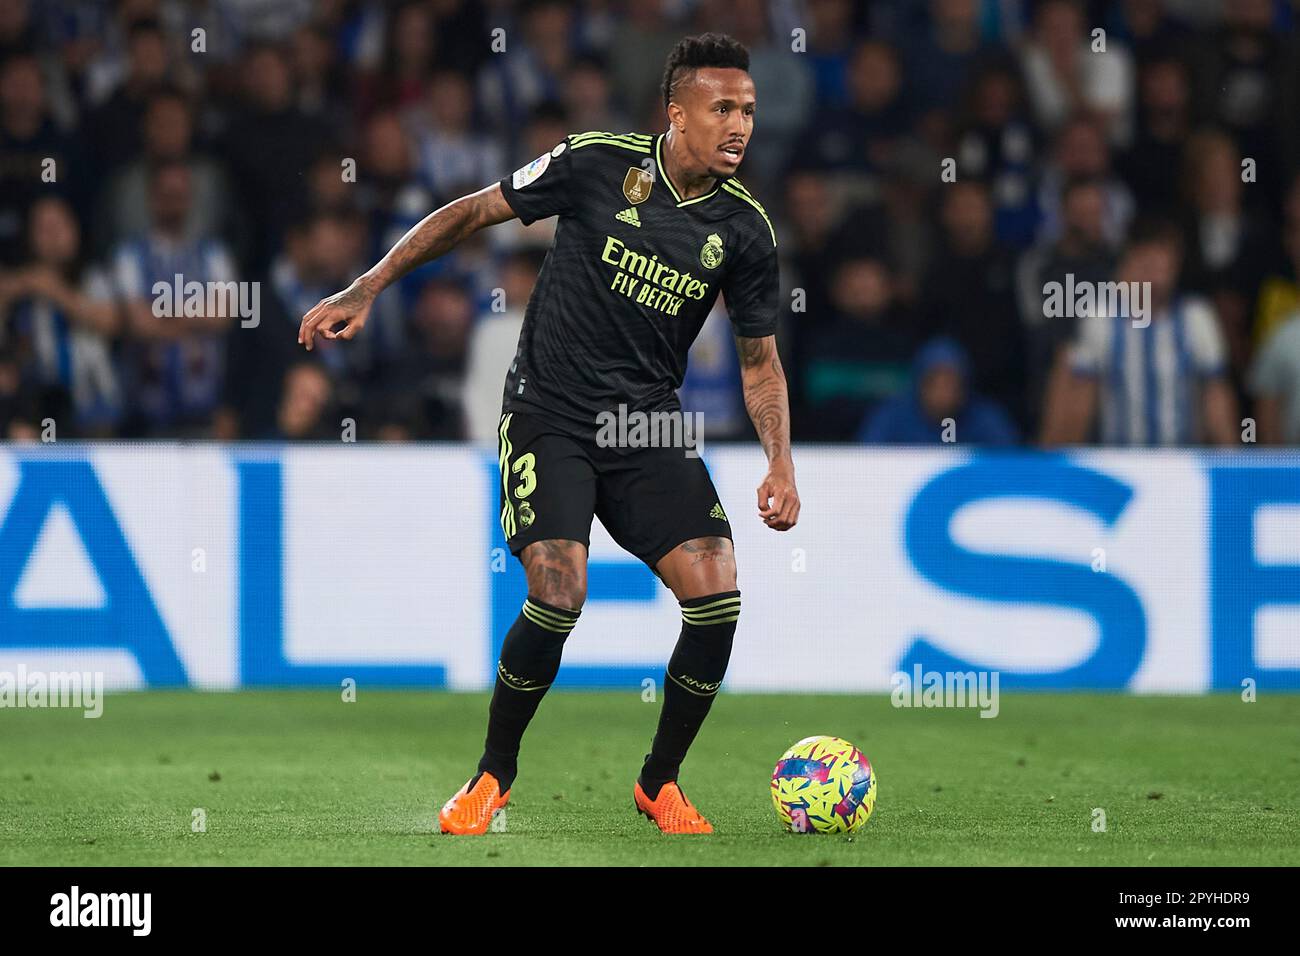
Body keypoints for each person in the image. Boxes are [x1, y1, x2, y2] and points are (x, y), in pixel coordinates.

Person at [299, 34, 799, 835]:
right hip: (550, 411)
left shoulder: (744, 230)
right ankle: (493, 775)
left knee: (717, 594)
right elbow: (472, 211)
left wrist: (780, 461)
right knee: (558, 588)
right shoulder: (598, 162)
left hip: (645, 423)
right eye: (721, 109)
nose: (739, 124)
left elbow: (761, 361)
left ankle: (658, 783)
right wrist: (370, 284)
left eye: (747, 109)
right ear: (676, 114)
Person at [858, 337, 1018, 445]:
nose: (944, 394)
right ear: (919, 385)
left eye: (951, 385)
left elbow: (1011, 464)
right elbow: (868, 461)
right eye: (935, 385)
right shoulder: (891, 416)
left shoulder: (986, 419)